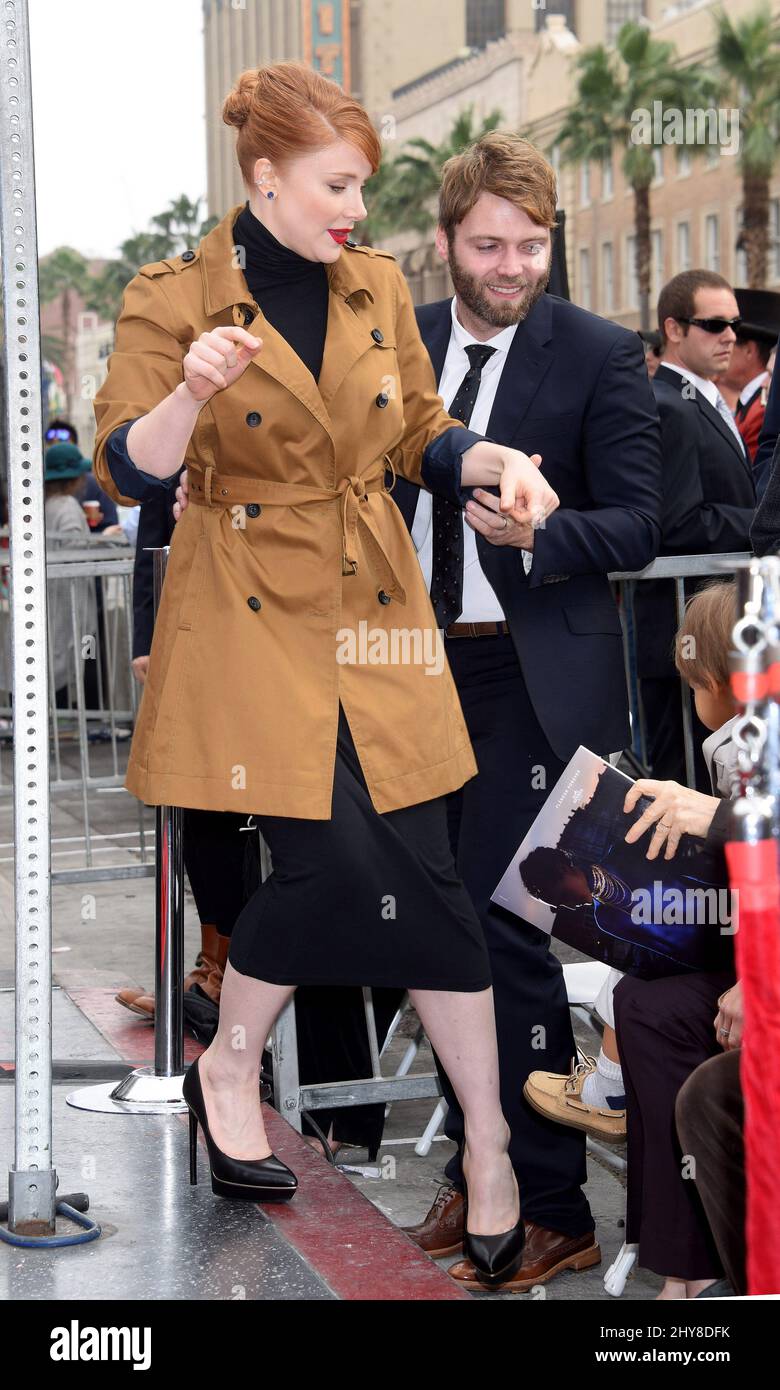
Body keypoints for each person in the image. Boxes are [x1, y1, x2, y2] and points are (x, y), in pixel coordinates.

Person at [91, 61, 559, 1282]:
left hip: (374, 601)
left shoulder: (376, 286)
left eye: (364, 183)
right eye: (337, 182)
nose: (358, 205)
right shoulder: (170, 293)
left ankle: (493, 1146)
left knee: (433, 881)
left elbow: (413, 429)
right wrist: (190, 395)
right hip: (245, 603)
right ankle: (232, 1062)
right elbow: (125, 469)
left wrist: (485, 459)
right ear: (266, 176)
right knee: (326, 853)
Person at [389, 131, 661, 1292]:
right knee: (421, 926)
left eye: (532, 244)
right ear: (446, 241)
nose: (513, 265)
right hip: (400, 670)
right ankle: (480, 1159)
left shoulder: (600, 350)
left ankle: (551, 1204)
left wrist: (541, 532)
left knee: (505, 929)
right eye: (491, 244)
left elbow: (639, 523)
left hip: (527, 676)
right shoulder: (398, 341)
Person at [526, 582, 742, 1299]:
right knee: (645, 998)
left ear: (716, 680)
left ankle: (687, 1261)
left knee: (653, 1009)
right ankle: (683, 1261)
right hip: (744, 947)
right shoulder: (735, 744)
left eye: (691, 682)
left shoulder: (745, 748)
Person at [634, 271, 755, 789]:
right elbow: (679, 522)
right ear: (674, 329)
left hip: (707, 633)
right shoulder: (670, 405)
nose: (730, 334)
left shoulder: (700, 400)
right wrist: (762, 525)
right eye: (713, 324)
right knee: (684, 789)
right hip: (684, 635)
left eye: (733, 323)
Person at [716, 289, 779, 463]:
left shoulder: (761, 410)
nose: (723, 349)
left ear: (749, 350)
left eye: (729, 343)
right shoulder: (751, 402)